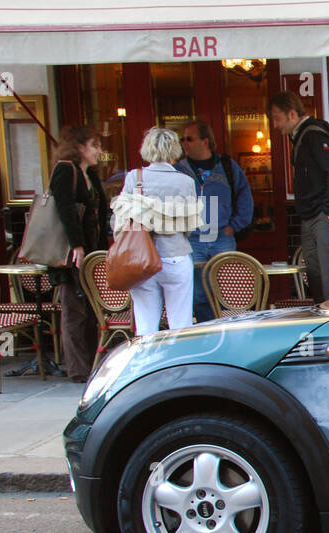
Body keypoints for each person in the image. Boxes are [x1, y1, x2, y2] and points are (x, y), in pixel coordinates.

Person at [110, 127, 201, 336]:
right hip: (176, 255)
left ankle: (150, 366)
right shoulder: (186, 181)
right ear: (175, 150)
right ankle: (181, 365)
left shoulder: (135, 178)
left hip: (140, 258)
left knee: (146, 326)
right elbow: (189, 225)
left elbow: (120, 217)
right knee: (181, 324)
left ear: (147, 148)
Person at [267, 91, 329, 300]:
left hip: (323, 214)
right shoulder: (303, 137)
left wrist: (328, 211)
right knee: (316, 272)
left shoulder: (313, 135)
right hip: (314, 214)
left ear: (292, 114)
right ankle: (324, 317)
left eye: (277, 118)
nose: (275, 125)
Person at [48, 125, 111, 382]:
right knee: (74, 310)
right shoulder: (65, 170)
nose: (99, 151)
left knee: (91, 308)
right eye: (94, 146)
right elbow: (64, 210)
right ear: (79, 147)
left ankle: (92, 365)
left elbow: (100, 211)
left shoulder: (91, 175)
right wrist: (77, 245)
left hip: (93, 250)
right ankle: (78, 370)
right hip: (71, 253)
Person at [176, 120, 254, 322]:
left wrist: (235, 226)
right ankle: (205, 329)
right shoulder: (179, 170)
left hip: (221, 237)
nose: (184, 143)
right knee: (198, 292)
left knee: (227, 288)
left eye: (189, 139)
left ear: (205, 141)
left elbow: (245, 196)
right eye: (182, 139)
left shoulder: (227, 166)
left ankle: (228, 327)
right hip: (193, 238)